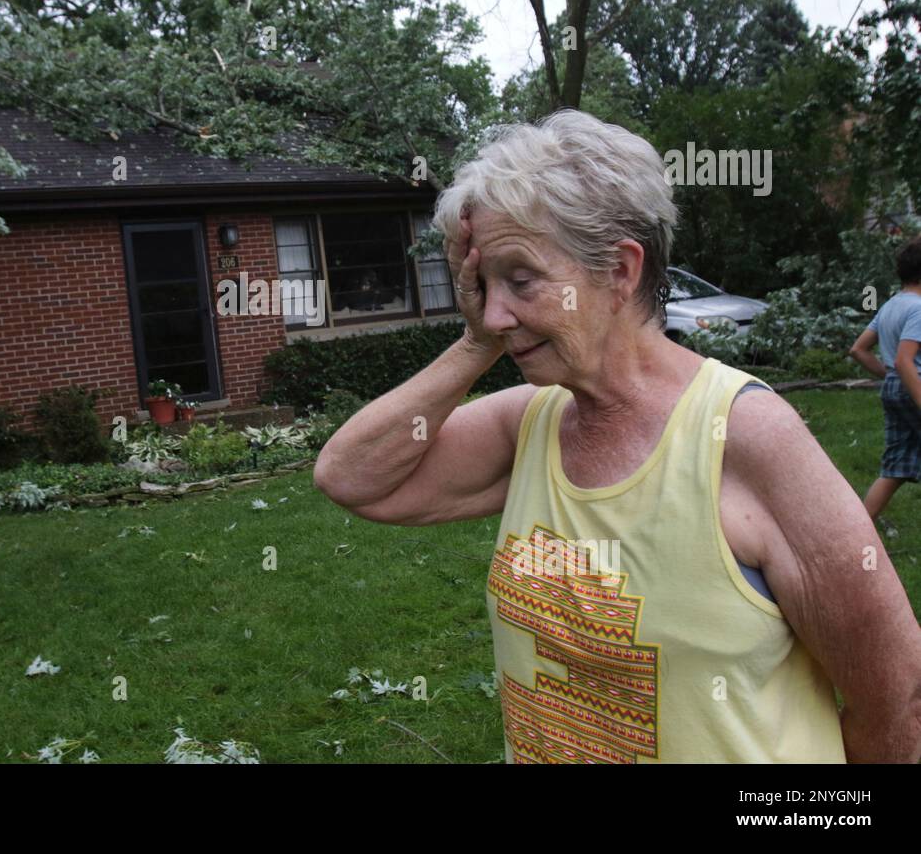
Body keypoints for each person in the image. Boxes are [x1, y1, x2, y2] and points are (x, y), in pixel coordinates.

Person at [313, 110, 921, 764]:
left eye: (521, 279)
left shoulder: (746, 437)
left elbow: (899, 700)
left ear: (621, 271)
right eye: (485, 283)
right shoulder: (531, 422)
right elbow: (351, 476)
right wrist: (474, 344)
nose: (494, 310)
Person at [849, 236, 921, 537]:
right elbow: (906, 360)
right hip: (914, 386)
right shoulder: (919, 308)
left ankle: (859, 531)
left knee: (896, 466)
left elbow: (858, 349)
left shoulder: (892, 304)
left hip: (895, 388)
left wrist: (889, 375)